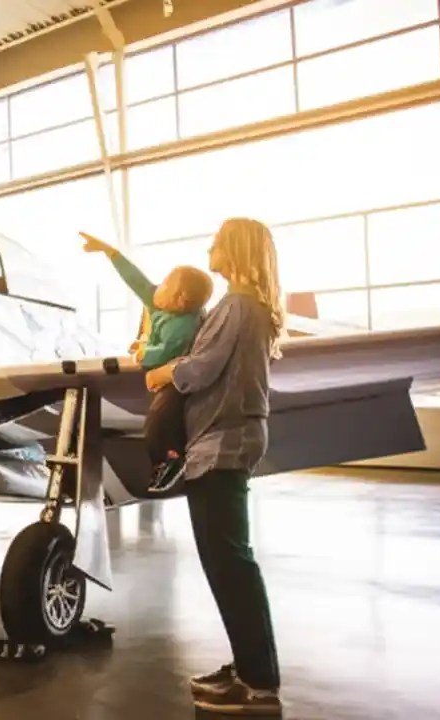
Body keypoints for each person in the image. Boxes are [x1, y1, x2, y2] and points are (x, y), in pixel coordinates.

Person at [143, 217, 286, 715]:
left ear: (236, 250)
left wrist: (163, 372)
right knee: (228, 564)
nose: (209, 248)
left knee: (230, 565)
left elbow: (200, 369)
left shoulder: (237, 306)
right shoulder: (247, 307)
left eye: (217, 242)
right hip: (223, 441)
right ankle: (249, 668)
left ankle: (258, 682)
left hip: (222, 445)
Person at [80, 231, 213, 491]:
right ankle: (164, 460)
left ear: (179, 300)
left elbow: (162, 354)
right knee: (158, 418)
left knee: (161, 419)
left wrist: (142, 351)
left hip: (177, 380)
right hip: (164, 376)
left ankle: (170, 459)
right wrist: (112, 253)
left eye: (164, 286)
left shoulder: (183, 324)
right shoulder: (162, 305)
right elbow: (137, 281)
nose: (156, 288)